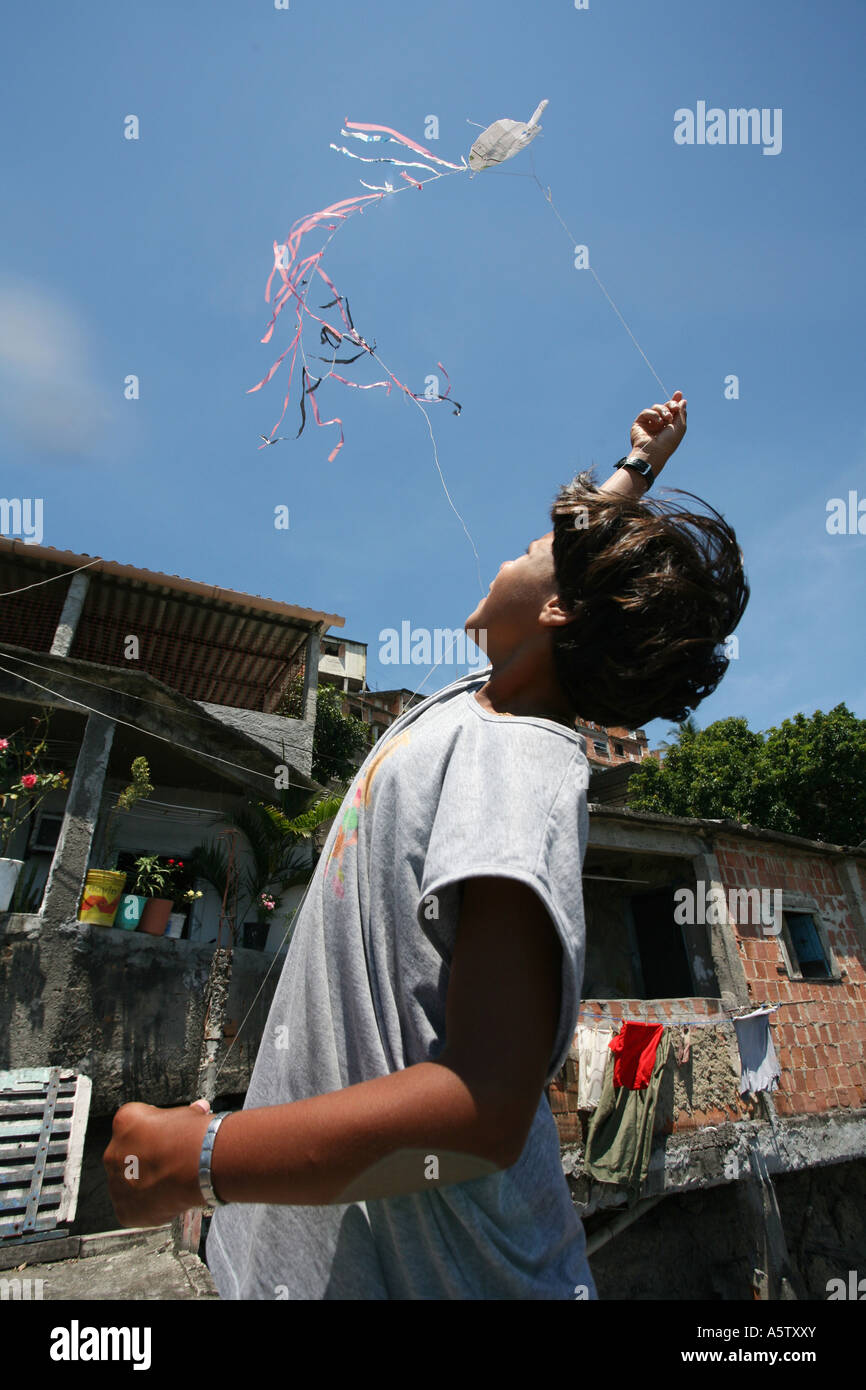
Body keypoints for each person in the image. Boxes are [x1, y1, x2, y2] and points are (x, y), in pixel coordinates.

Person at [104, 390, 749, 1299]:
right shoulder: (490, 699)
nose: (516, 548)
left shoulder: (516, 763)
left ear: (559, 611)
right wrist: (642, 464)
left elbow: (482, 1109)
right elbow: (581, 564)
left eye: (535, 553)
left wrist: (202, 1158)